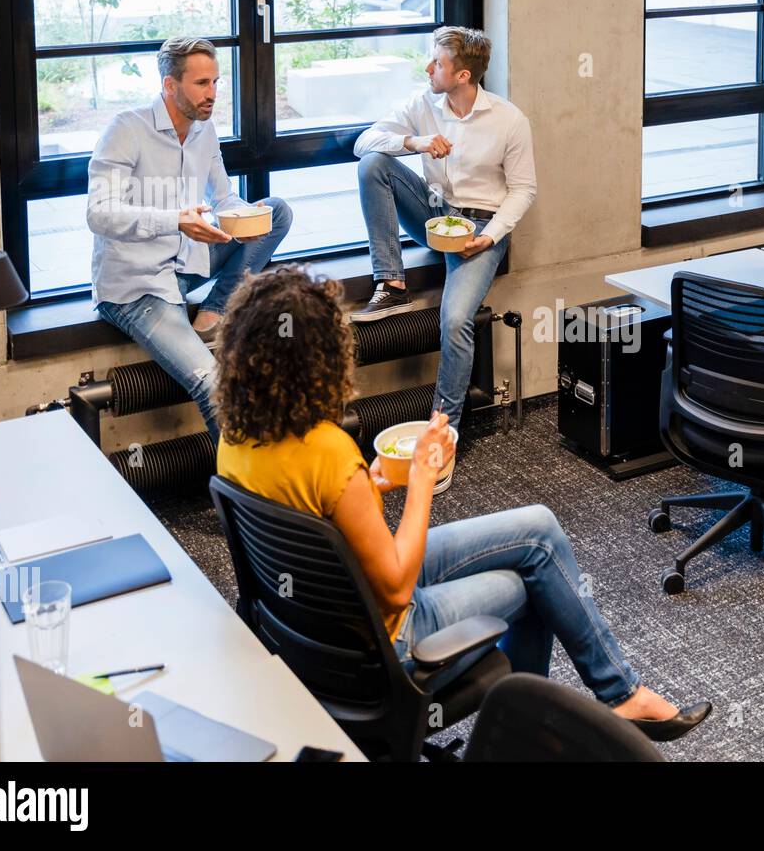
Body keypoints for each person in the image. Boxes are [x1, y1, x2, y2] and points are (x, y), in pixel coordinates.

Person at [214, 266, 711, 743]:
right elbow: (395, 589)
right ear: (318, 359)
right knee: (536, 583)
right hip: (384, 639)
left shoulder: (233, 441)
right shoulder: (327, 449)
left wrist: (372, 485)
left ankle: (607, 698)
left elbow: (309, 517)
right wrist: (423, 481)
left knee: (539, 528)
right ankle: (536, 728)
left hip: (312, 627)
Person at [350, 26, 535, 482]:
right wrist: (413, 143)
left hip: (480, 227)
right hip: (434, 214)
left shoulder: (509, 120)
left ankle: (442, 438)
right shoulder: (423, 104)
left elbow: (523, 190)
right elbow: (364, 143)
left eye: (437, 63)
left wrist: (490, 236)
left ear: (463, 74)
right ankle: (391, 282)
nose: (428, 68)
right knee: (374, 164)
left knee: (454, 322)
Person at [86, 36, 293, 442]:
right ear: (169, 85)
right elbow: (99, 213)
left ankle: (215, 309)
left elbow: (225, 197)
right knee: (215, 385)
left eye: (215, 82)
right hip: (137, 287)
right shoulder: (126, 130)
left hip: (189, 262)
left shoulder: (204, 130)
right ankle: (242, 497)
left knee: (277, 211)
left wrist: (245, 216)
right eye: (201, 84)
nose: (212, 94)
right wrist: (174, 221)